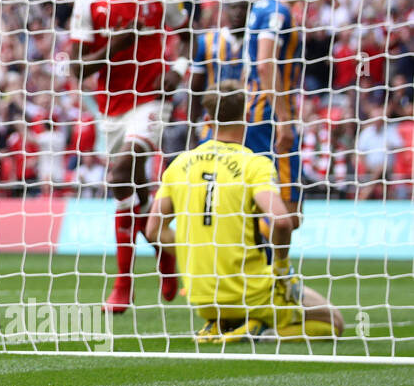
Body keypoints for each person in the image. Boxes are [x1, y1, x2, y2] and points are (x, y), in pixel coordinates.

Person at [144, 81, 343, 342]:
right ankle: (263, 330)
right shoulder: (254, 164)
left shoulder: (179, 165)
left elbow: (152, 231)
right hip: (251, 292)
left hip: (200, 296)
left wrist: (194, 248)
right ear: (246, 117)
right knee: (333, 321)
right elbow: (282, 221)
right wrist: (282, 269)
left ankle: (226, 323)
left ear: (207, 119)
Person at [69, 0, 188, 313]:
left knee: (120, 176)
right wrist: (113, 47)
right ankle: (164, 253)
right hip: (110, 107)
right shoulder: (90, 1)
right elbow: (77, 70)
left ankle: (123, 286)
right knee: (136, 191)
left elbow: (186, 35)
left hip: (151, 99)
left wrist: (179, 70)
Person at [244, 0, 308, 229]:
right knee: (286, 210)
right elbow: (266, 62)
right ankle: (272, 270)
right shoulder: (277, 12)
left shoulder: (262, 7)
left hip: (258, 113)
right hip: (269, 116)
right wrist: (284, 118)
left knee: (273, 206)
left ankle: (268, 267)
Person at [187, 0, 247, 145]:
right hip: (212, 124)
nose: (238, 12)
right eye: (234, 7)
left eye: (244, 8)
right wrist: (192, 130)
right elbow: (194, 89)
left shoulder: (257, 43)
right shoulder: (206, 41)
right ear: (226, 10)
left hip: (247, 123)